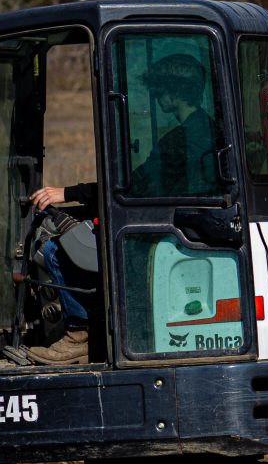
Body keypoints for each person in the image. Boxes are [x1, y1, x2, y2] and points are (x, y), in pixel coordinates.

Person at [22, 53, 219, 364]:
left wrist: (67, 193)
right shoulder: (208, 130)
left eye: (158, 91)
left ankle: (80, 334)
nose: (155, 98)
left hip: (153, 235)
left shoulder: (178, 141)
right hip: (178, 226)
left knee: (55, 251)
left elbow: (129, 189)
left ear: (173, 92)